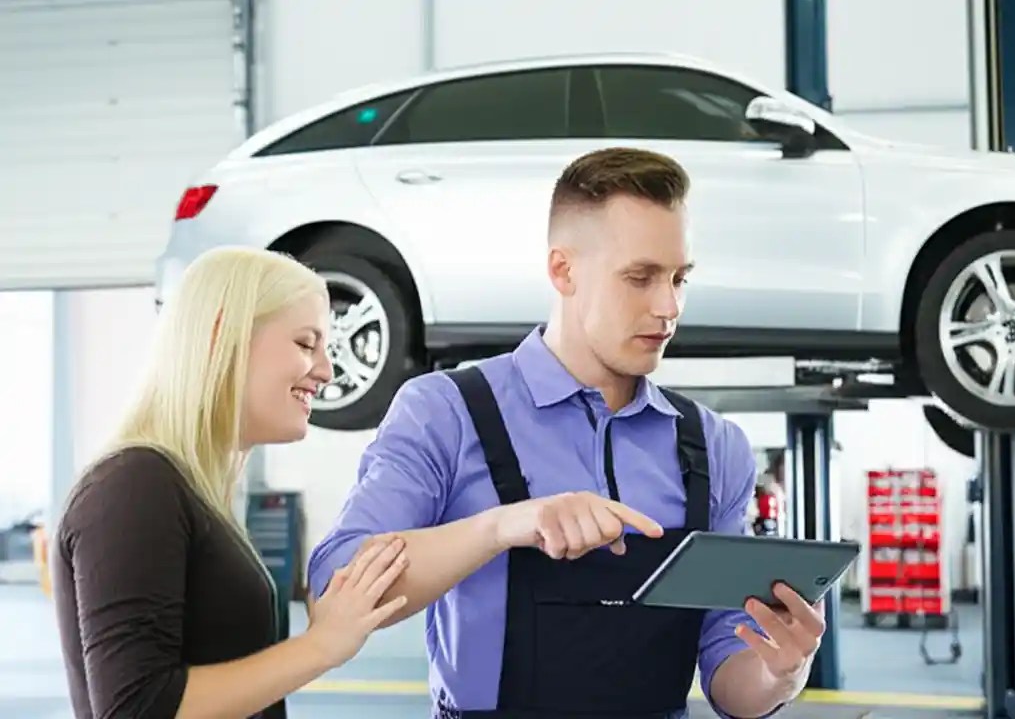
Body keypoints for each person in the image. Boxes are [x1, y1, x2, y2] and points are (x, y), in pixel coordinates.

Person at [308, 147, 829, 718]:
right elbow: (336, 586)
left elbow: (729, 677)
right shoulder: (447, 412)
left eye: (680, 278)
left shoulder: (714, 447)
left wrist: (782, 670)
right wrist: (504, 526)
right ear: (563, 270)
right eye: (640, 278)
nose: (669, 307)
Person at [52, 247, 411, 719]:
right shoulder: (134, 486)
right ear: (224, 335)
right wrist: (321, 646)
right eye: (306, 344)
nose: (326, 371)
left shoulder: (183, 489)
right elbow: (137, 708)